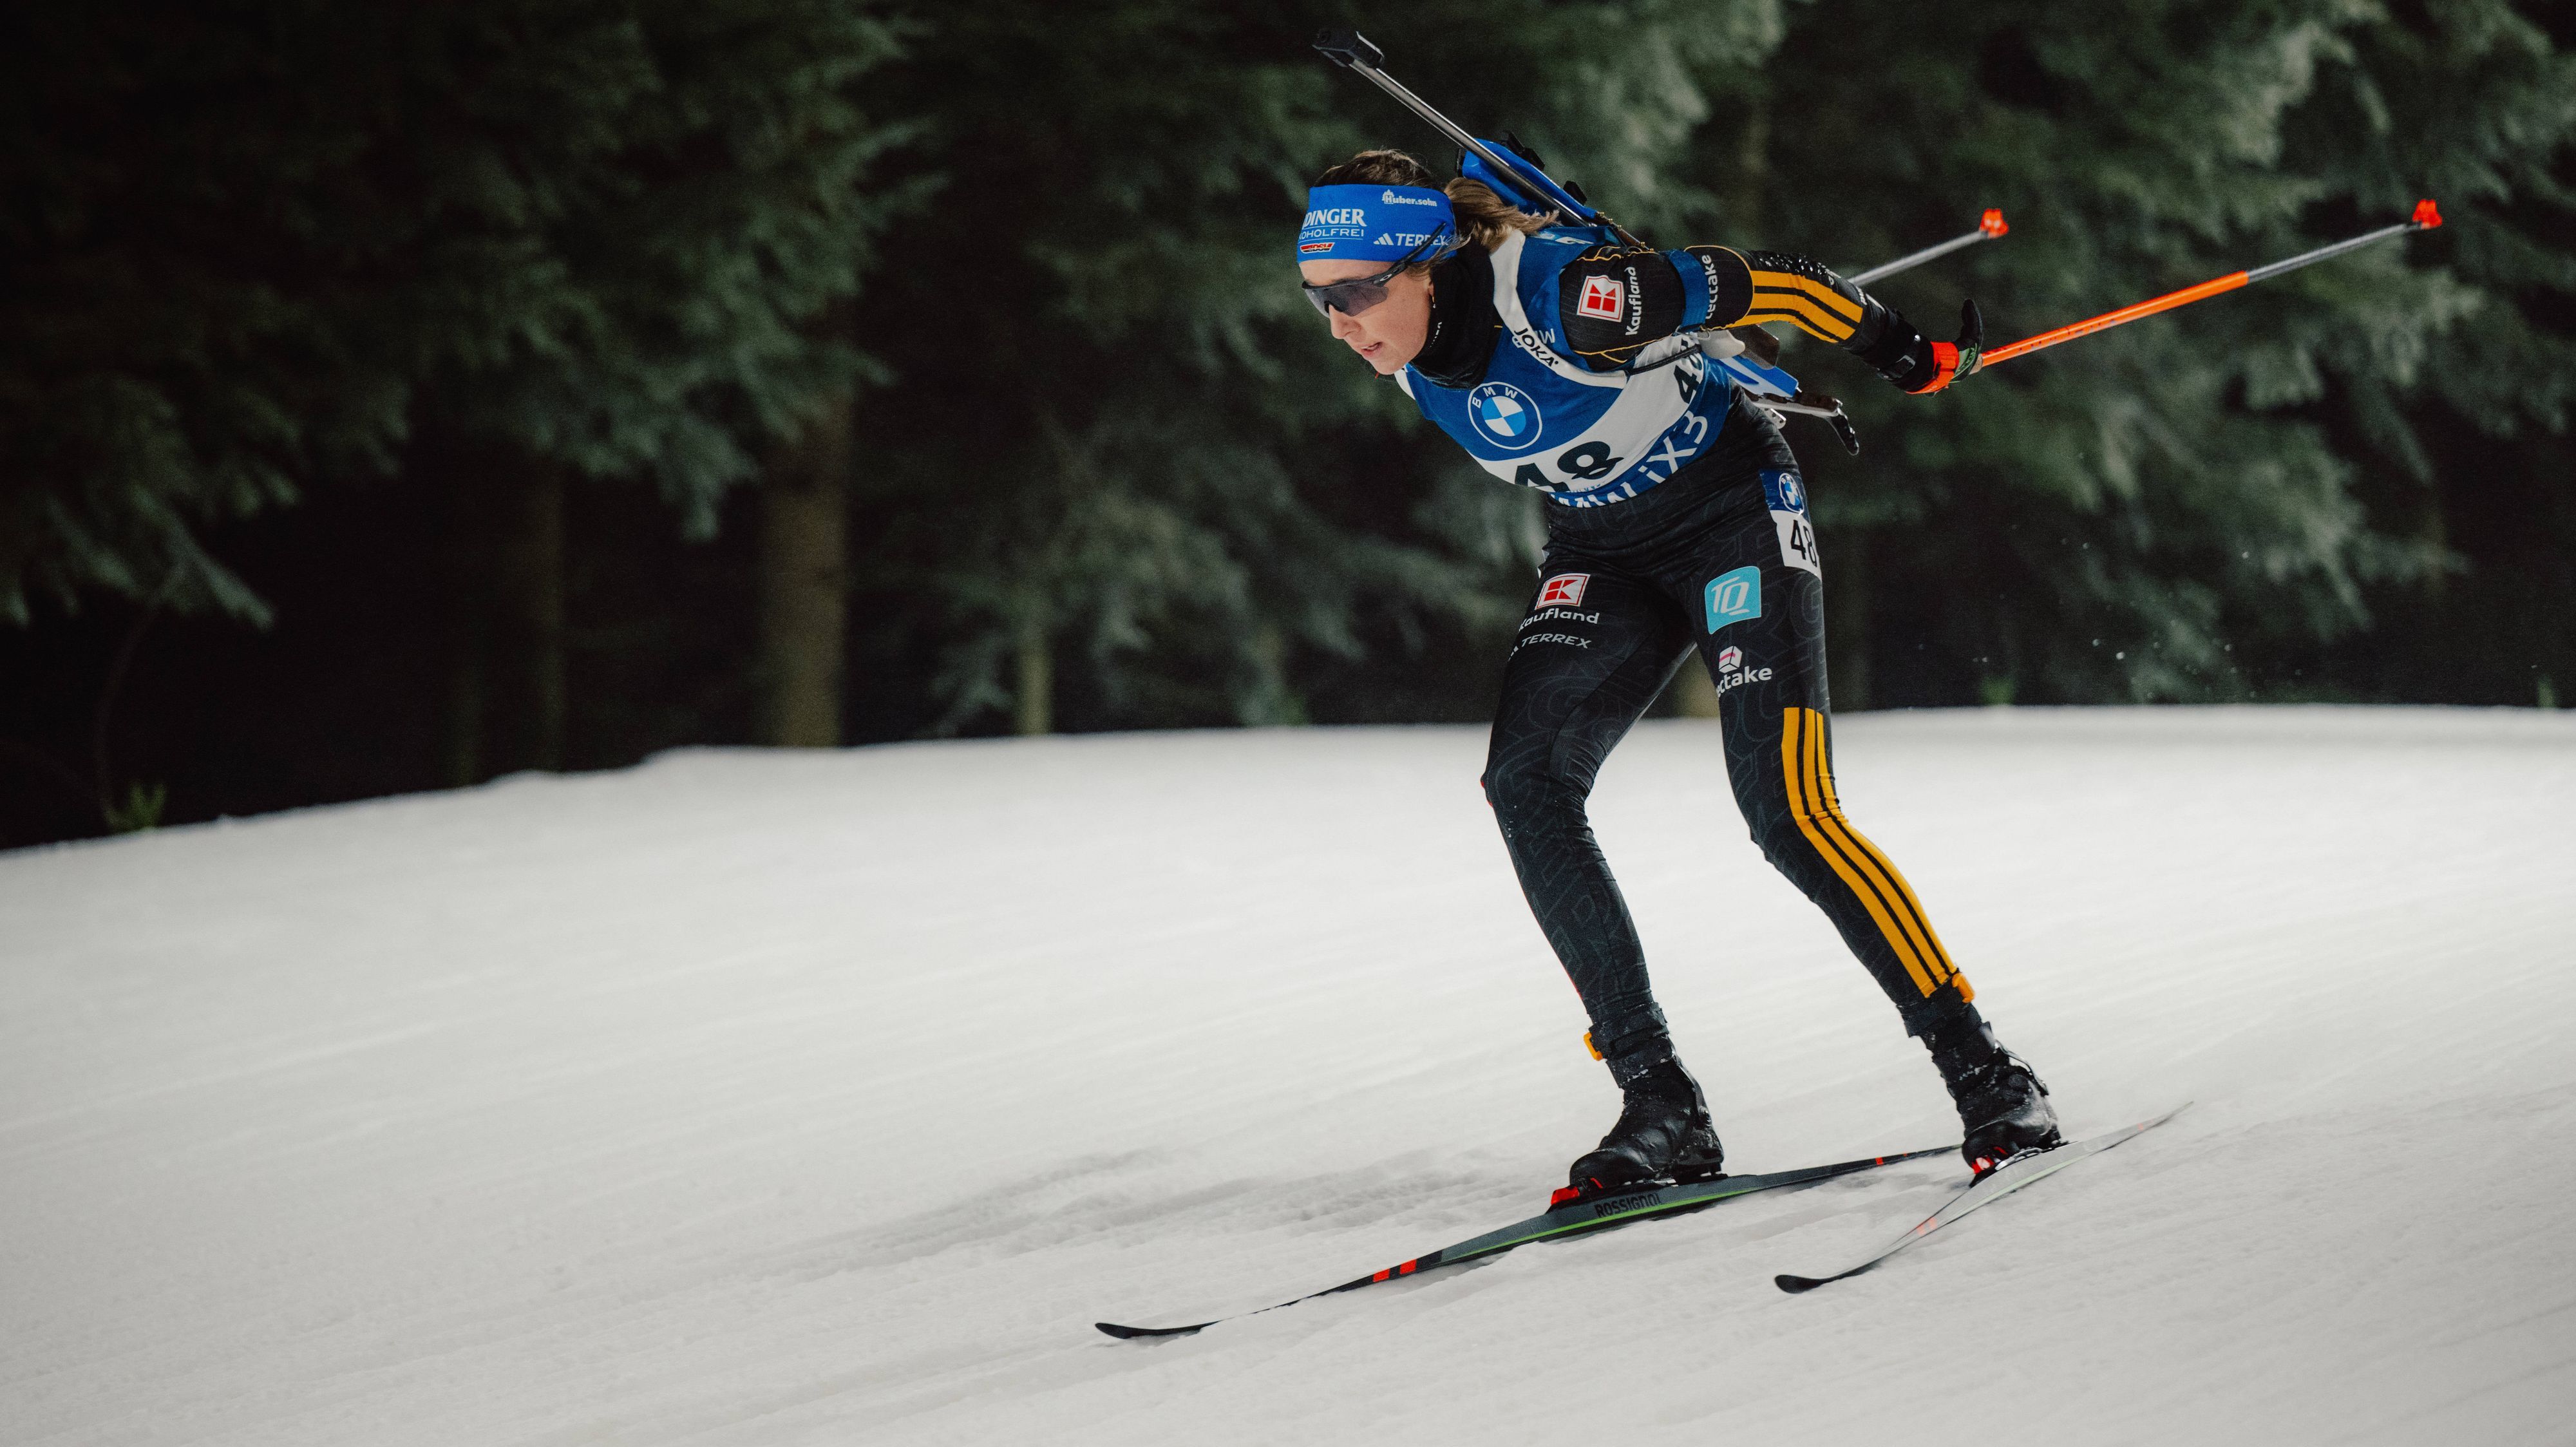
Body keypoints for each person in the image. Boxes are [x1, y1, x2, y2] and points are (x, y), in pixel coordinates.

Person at [1296, 149, 2060, 1198]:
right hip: (1602, 553)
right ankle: (1662, 1108)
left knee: (1786, 810)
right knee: (1526, 781)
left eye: (1356, 295)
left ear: (1429, 264)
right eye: (1320, 303)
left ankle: (1985, 1071)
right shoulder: (1413, 341)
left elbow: (1776, 278)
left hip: (1733, 515)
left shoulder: (1577, 299)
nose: (1339, 325)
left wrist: (1901, 350)